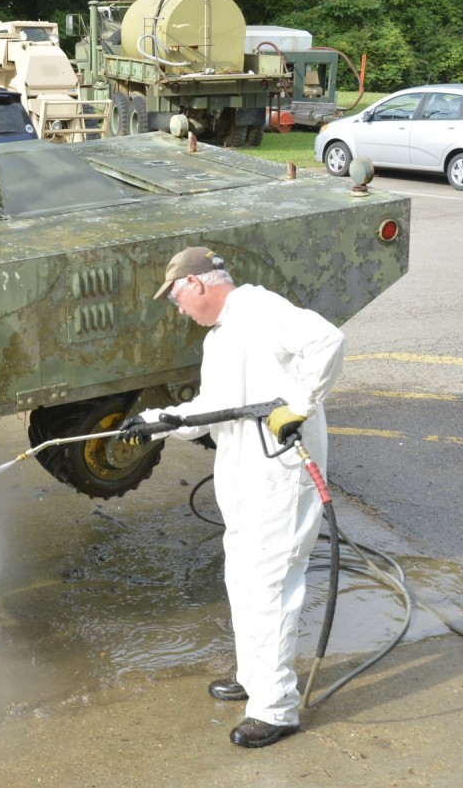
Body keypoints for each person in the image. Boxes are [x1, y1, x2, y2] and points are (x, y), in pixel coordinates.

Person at [118, 246, 346, 748]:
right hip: (244, 478)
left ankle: (275, 708)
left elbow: (328, 340)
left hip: (280, 476)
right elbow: (214, 407)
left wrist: (301, 405)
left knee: (270, 586)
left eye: (176, 298)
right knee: (242, 578)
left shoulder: (260, 309)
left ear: (197, 283)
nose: (178, 310)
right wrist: (157, 421)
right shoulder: (221, 336)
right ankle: (255, 675)